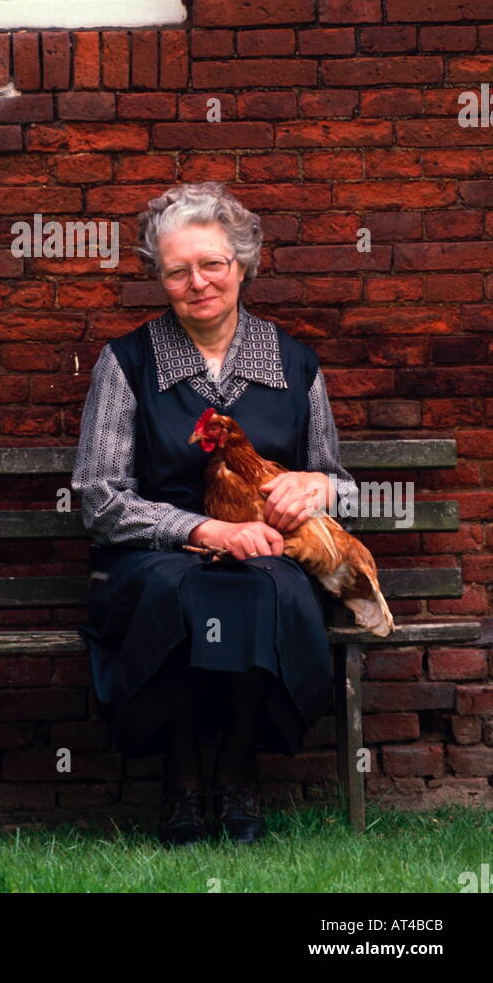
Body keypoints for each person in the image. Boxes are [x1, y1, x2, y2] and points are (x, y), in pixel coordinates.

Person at [71, 182, 360, 846]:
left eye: (212, 264)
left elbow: (341, 484)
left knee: (270, 588)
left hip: (268, 552)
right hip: (154, 557)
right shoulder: (125, 363)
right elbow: (99, 496)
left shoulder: (293, 364)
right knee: (176, 587)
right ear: (158, 277)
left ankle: (236, 773)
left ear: (242, 266)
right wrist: (203, 529)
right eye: (177, 270)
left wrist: (314, 486)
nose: (197, 282)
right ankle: (178, 782)